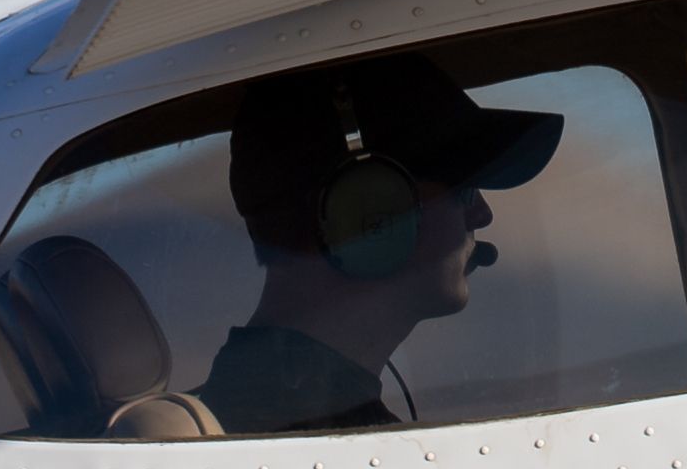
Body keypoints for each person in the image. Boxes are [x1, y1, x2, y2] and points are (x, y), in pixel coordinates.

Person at [195, 56, 562, 433]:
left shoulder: (263, 408)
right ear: (367, 209)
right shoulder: (313, 441)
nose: (483, 216)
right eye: (465, 190)